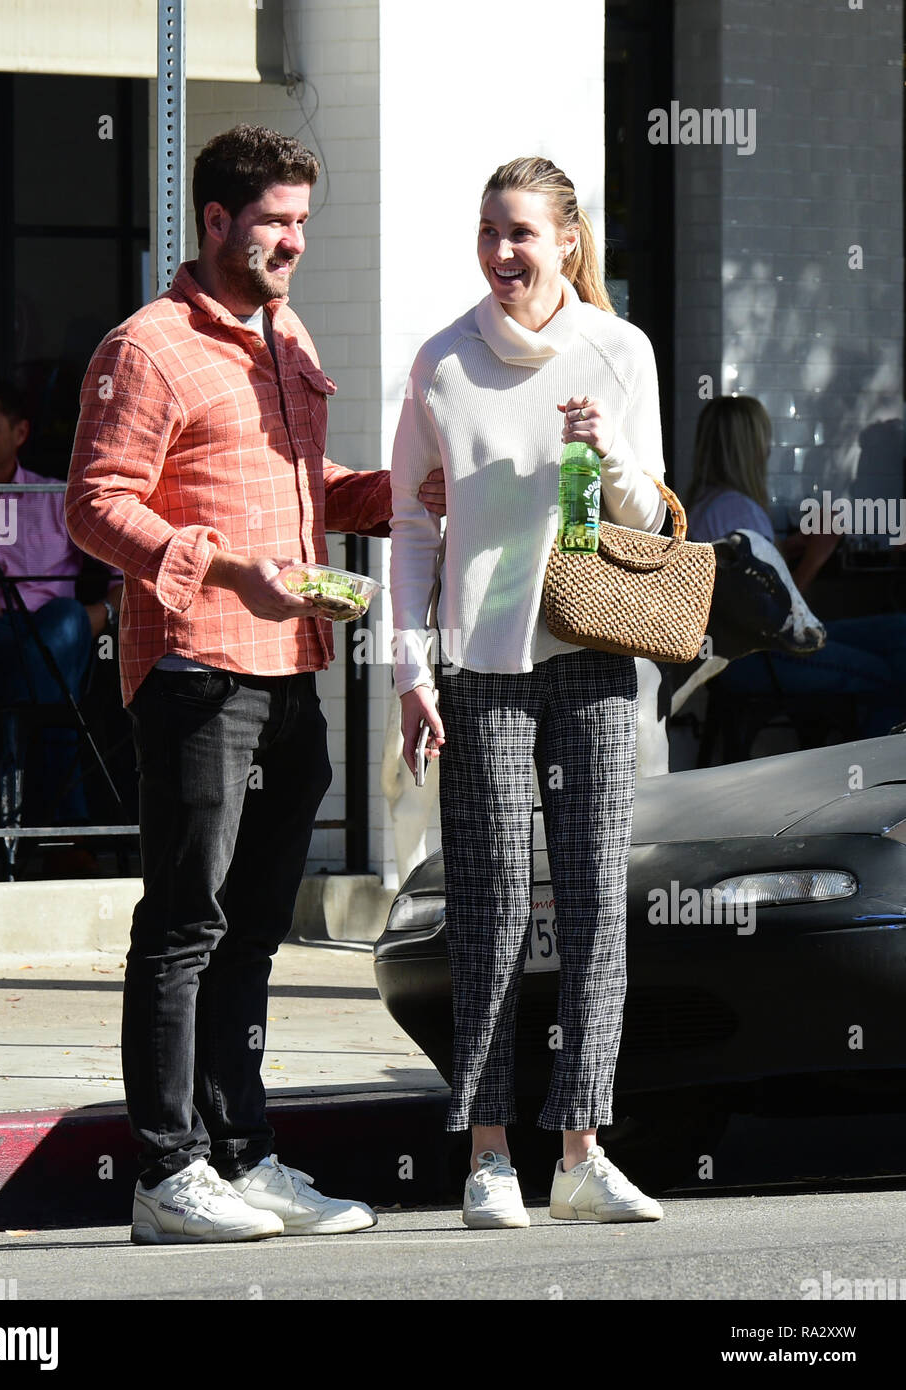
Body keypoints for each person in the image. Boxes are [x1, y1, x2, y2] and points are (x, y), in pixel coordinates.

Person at [66, 124, 445, 1244]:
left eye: (304, 224)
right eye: (277, 220)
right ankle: (167, 1170)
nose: (294, 242)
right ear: (219, 221)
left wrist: (395, 495)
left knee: (252, 933)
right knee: (185, 923)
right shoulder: (146, 347)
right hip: (194, 667)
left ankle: (245, 1155)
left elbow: (297, 485)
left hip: (293, 668)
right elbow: (93, 504)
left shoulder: (284, 332)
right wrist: (223, 566)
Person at [390, 155, 668, 1229]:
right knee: (491, 906)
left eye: (522, 234)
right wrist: (411, 665)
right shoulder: (442, 364)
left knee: (599, 903)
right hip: (481, 666)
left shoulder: (620, 349)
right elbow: (414, 525)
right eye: (489, 231)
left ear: (567, 242)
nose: (502, 252)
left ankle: (582, 1151)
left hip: (593, 653)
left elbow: (645, 520)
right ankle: (489, 1155)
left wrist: (609, 456)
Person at [0, 381, 123, 823]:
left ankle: (10, 821)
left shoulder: (58, 500)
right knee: (56, 687)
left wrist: (102, 614)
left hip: (58, 638)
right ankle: (65, 831)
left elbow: (126, 577)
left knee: (62, 624)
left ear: (20, 433)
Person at [685, 395, 906, 737]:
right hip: (755, 660)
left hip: (730, 656)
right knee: (890, 672)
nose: (769, 448)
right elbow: (778, 620)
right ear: (751, 447)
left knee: (898, 630)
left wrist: (786, 549)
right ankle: (872, 770)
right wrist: (818, 553)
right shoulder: (741, 511)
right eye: (764, 439)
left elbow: (744, 586)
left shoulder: (710, 505)